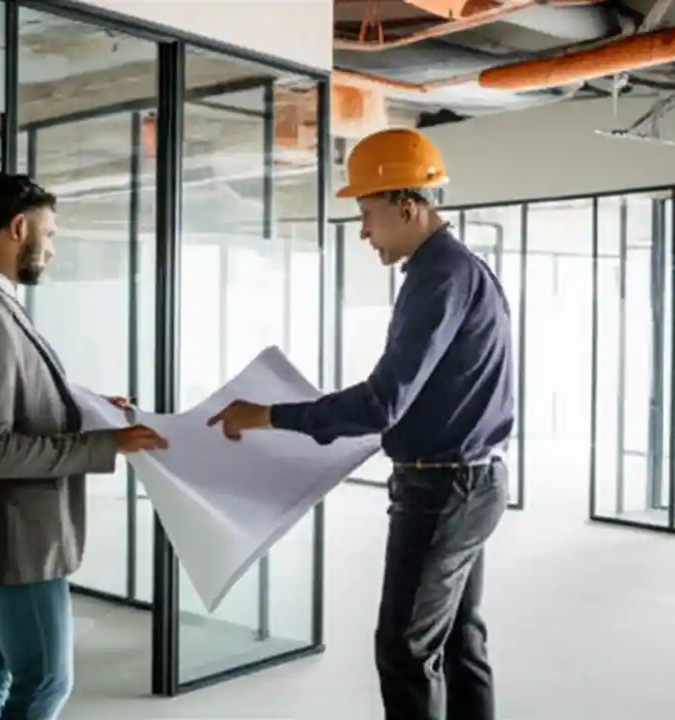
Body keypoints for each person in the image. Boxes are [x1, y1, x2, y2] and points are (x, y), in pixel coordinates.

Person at [207, 128, 514, 720]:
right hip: (473, 483)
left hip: (443, 491)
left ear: (407, 206)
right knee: (457, 642)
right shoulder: (461, 269)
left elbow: (382, 404)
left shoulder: (438, 278)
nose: (365, 231)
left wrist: (268, 414)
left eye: (368, 213)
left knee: (404, 649)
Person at [0, 171, 168, 720]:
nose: (51, 250)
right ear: (16, 227)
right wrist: (106, 443)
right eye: (49, 235)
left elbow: (11, 392)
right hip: (14, 542)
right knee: (45, 683)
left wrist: (86, 404)